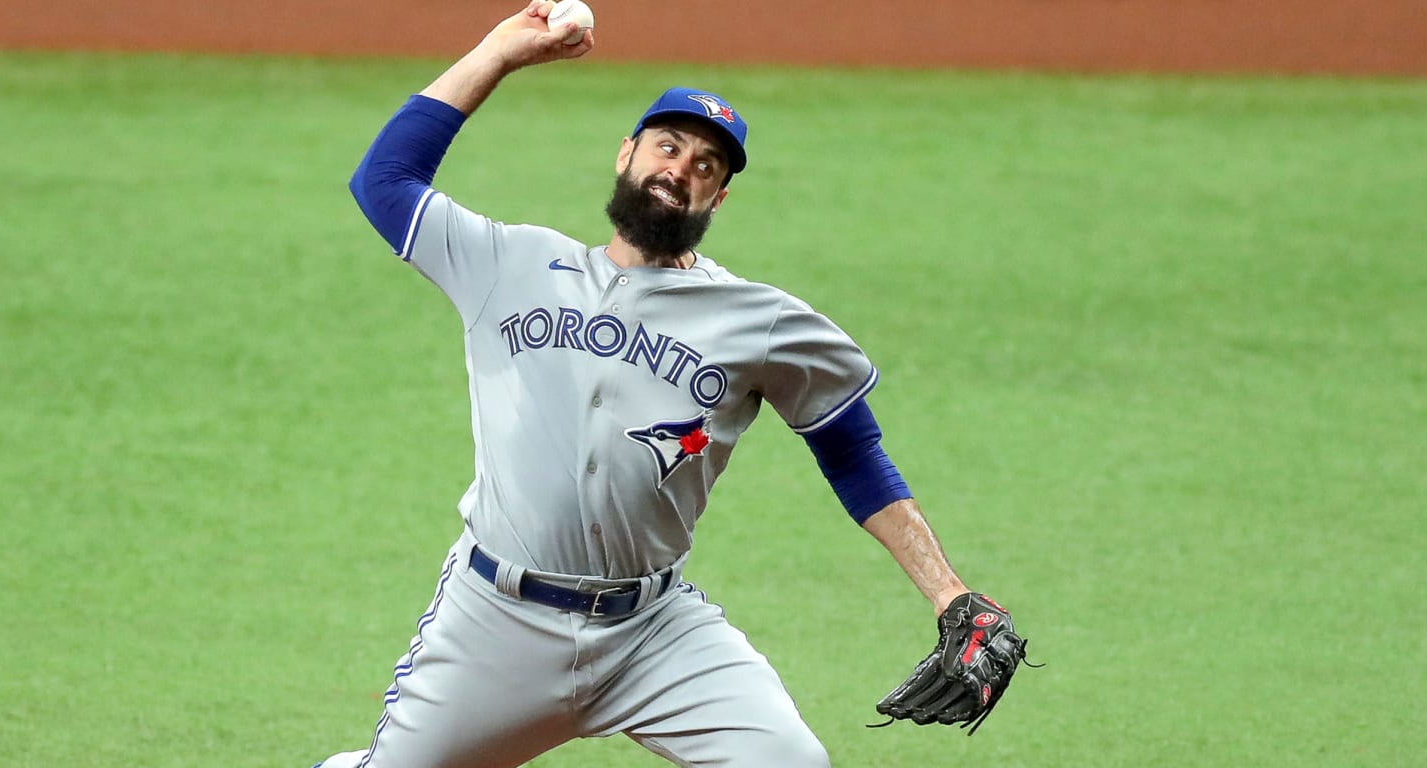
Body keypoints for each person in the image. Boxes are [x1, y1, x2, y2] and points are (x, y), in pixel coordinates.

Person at [317, 2, 999, 766]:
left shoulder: (759, 320)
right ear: (626, 156)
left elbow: (853, 451)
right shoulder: (509, 265)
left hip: (651, 633)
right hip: (495, 621)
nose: (680, 169)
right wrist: (500, 54)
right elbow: (383, 181)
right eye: (667, 146)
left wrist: (947, 591)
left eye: (705, 165)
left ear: (718, 199)